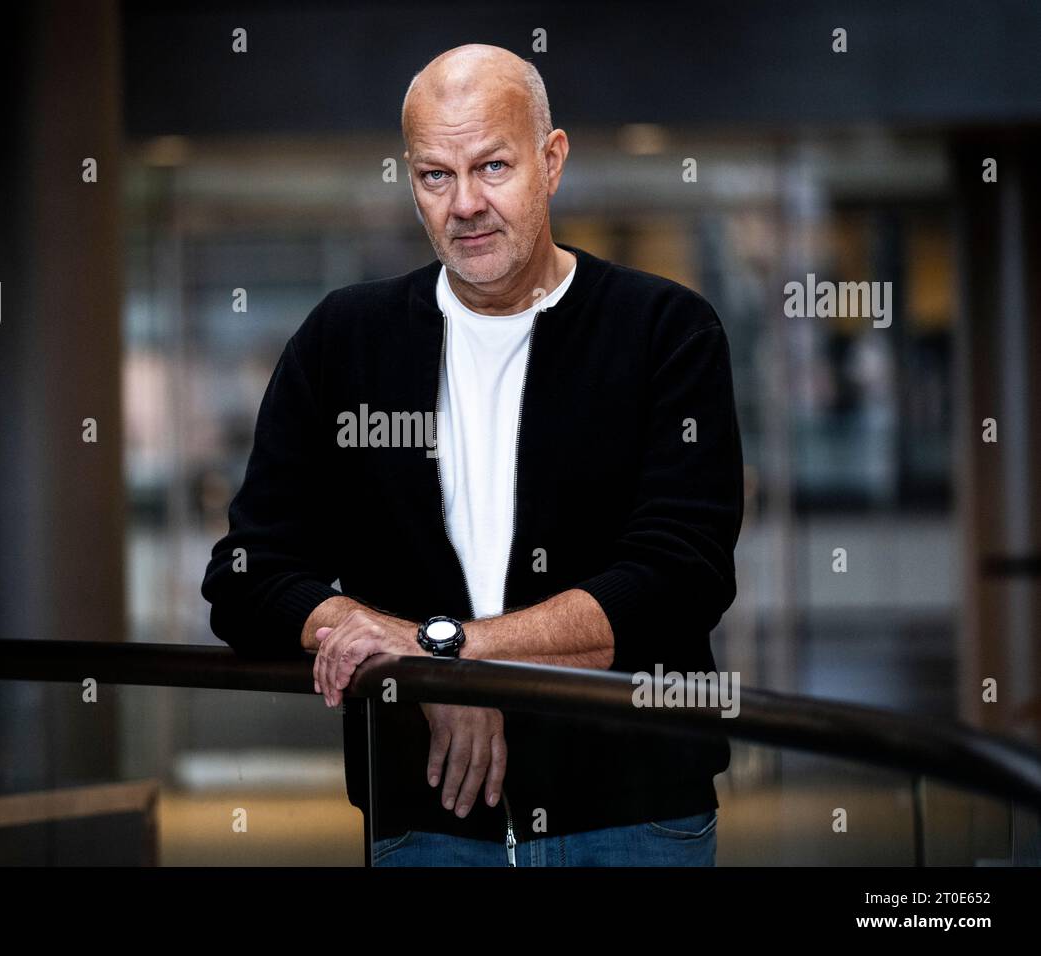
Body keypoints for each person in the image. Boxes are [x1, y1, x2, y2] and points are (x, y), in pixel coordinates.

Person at [201, 43, 744, 866]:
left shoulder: (666, 329)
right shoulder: (343, 341)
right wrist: (359, 628)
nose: (465, 204)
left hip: (632, 817)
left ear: (552, 161)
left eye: (493, 166)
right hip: (428, 821)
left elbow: (678, 579)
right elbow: (245, 575)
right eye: (435, 176)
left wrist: (443, 654)